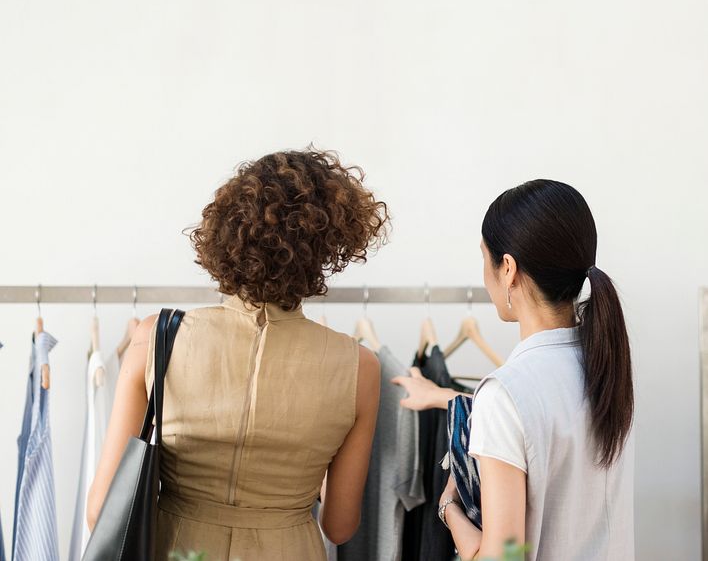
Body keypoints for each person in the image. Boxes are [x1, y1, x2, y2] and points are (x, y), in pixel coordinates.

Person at [88, 149, 388, 561]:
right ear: (326, 251)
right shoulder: (360, 368)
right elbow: (338, 524)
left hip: (176, 547)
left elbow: (99, 509)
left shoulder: (157, 338)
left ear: (228, 234)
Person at [393, 179, 635, 560]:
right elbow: (539, 423)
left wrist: (449, 509)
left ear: (508, 268)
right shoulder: (606, 369)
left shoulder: (507, 394)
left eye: (484, 257)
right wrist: (443, 396)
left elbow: (505, 556)